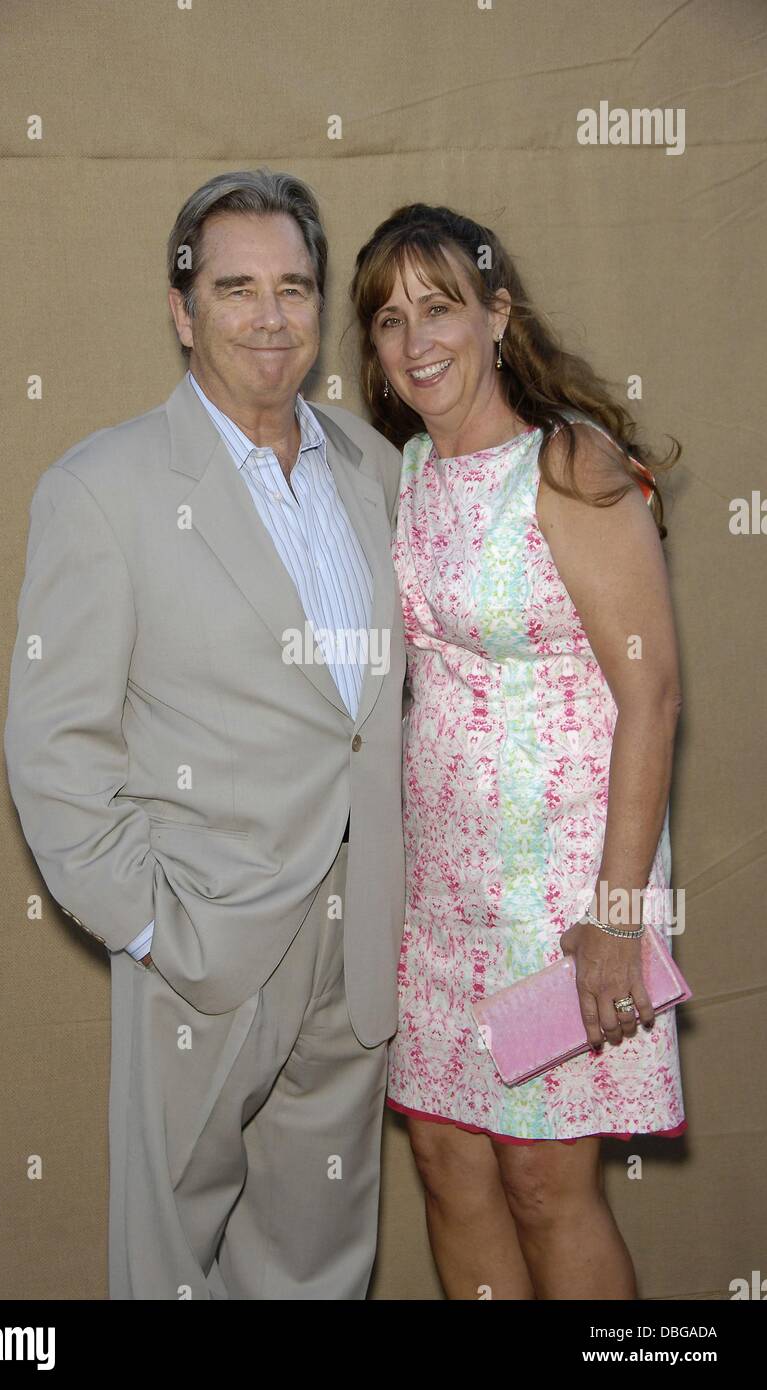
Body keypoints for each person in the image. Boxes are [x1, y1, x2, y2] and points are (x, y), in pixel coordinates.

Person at [3, 169, 407, 1299]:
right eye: (235, 288)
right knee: (168, 1266)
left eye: (292, 286)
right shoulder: (103, 486)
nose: (269, 315)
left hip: (357, 938)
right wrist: (148, 925)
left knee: (317, 1259)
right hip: (202, 943)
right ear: (183, 311)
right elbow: (54, 744)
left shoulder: (373, 468)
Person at [348, 202, 687, 1300]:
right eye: (389, 319)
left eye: (438, 307)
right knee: (449, 1167)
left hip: (562, 902)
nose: (415, 342)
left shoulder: (568, 465)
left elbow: (653, 695)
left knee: (545, 1182)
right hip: (439, 901)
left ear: (497, 315)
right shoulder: (404, 477)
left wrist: (615, 918)